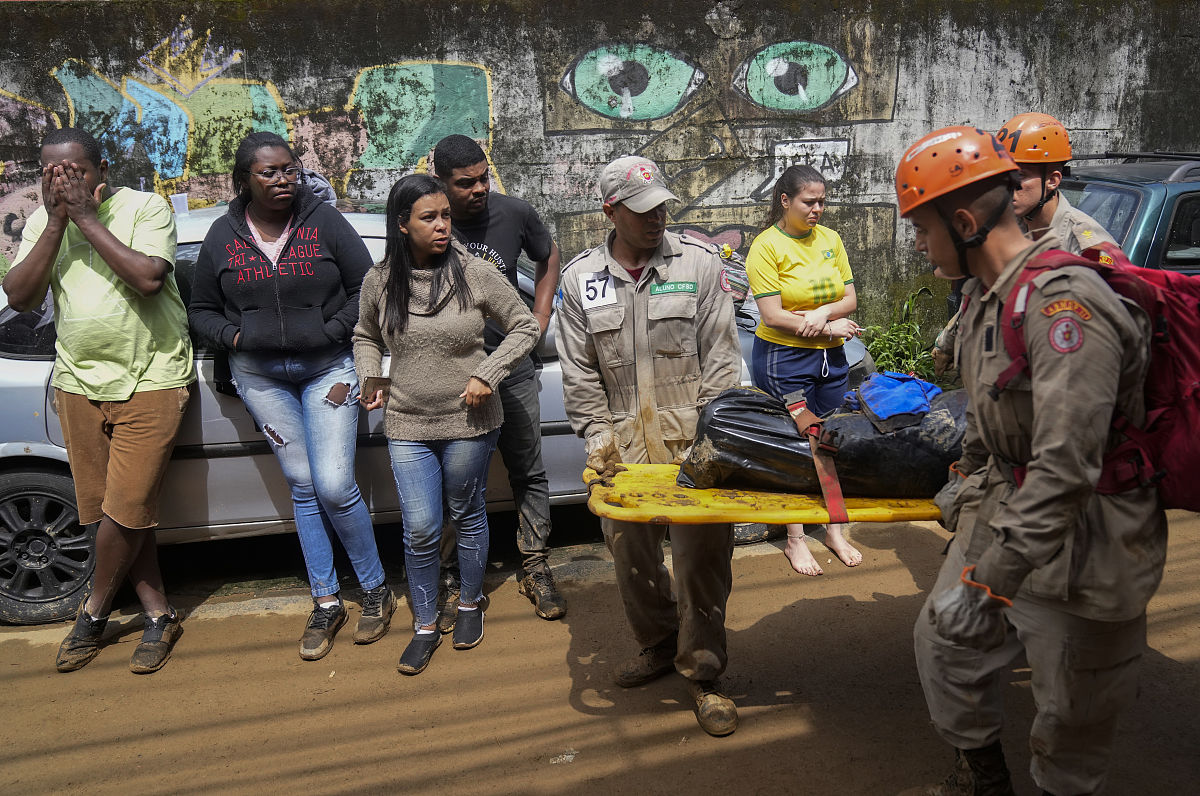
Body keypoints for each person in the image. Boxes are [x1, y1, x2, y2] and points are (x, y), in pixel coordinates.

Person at [895, 126, 1166, 796]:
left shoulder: (1063, 303)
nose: (920, 246)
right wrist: (963, 493)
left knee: (1068, 720)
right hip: (1008, 512)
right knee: (943, 647)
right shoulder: (987, 295)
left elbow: (1069, 462)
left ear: (963, 221)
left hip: (1085, 541)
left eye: (923, 230)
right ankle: (982, 776)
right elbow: (990, 416)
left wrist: (994, 579)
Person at [188, 131, 394, 662]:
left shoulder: (324, 222)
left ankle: (374, 590)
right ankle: (327, 600)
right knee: (302, 483)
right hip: (261, 377)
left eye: (290, 170)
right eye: (270, 173)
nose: (284, 180)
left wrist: (332, 330)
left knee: (332, 481)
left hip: (329, 370)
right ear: (244, 180)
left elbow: (368, 288)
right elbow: (201, 310)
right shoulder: (222, 235)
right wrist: (235, 338)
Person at [556, 155, 743, 736]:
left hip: (694, 447)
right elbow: (579, 372)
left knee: (700, 564)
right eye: (641, 210)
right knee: (631, 560)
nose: (656, 216)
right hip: (623, 452)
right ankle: (661, 644)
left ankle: (705, 674)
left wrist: (712, 442)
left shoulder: (700, 266)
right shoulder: (580, 279)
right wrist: (597, 437)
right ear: (609, 211)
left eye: (661, 204)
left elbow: (721, 361)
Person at [2, 127, 195, 674]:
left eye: (75, 173)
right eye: (51, 174)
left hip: (152, 378)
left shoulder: (145, 208)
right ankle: (158, 613)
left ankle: (92, 612)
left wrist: (84, 217)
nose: (63, 182)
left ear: (101, 169)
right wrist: (58, 221)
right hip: (77, 385)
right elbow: (19, 296)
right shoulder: (43, 223)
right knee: (112, 514)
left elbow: (148, 279)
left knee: (127, 509)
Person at [354, 174, 539, 675]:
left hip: (470, 420)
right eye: (428, 217)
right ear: (402, 224)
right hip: (407, 421)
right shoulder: (381, 279)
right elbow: (364, 334)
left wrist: (489, 372)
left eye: (445, 216)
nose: (441, 226)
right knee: (419, 526)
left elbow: (527, 325)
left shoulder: (475, 272)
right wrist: (370, 376)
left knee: (467, 510)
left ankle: (468, 603)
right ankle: (424, 624)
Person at [431, 134, 567, 623]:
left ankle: (535, 564)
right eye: (466, 183)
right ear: (440, 184)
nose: (480, 188)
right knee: (456, 478)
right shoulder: (429, 223)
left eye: (484, 177)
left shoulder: (514, 212)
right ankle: (452, 574)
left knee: (527, 466)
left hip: (509, 364)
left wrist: (541, 316)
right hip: (452, 373)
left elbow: (547, 256)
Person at [744, 164, 864, 577]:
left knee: (830, 439)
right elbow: (773, 315)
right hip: (783, 358)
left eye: (822, 202)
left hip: (830, 358)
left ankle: (833, 527)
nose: (817, 209)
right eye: (809, 202)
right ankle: (794, 536)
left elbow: (849, 297)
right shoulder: (766, 246)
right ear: (785, 201)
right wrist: (826, 325)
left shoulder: (831, 239)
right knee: (790, 444)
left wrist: (824, 313)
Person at [933, 112, 1117, 376]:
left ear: (1052, 180)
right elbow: (981, 294)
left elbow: (1104, 342)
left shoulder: (1086, 245)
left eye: (1019, 175)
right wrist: (948, 343)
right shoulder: (1011, 230)